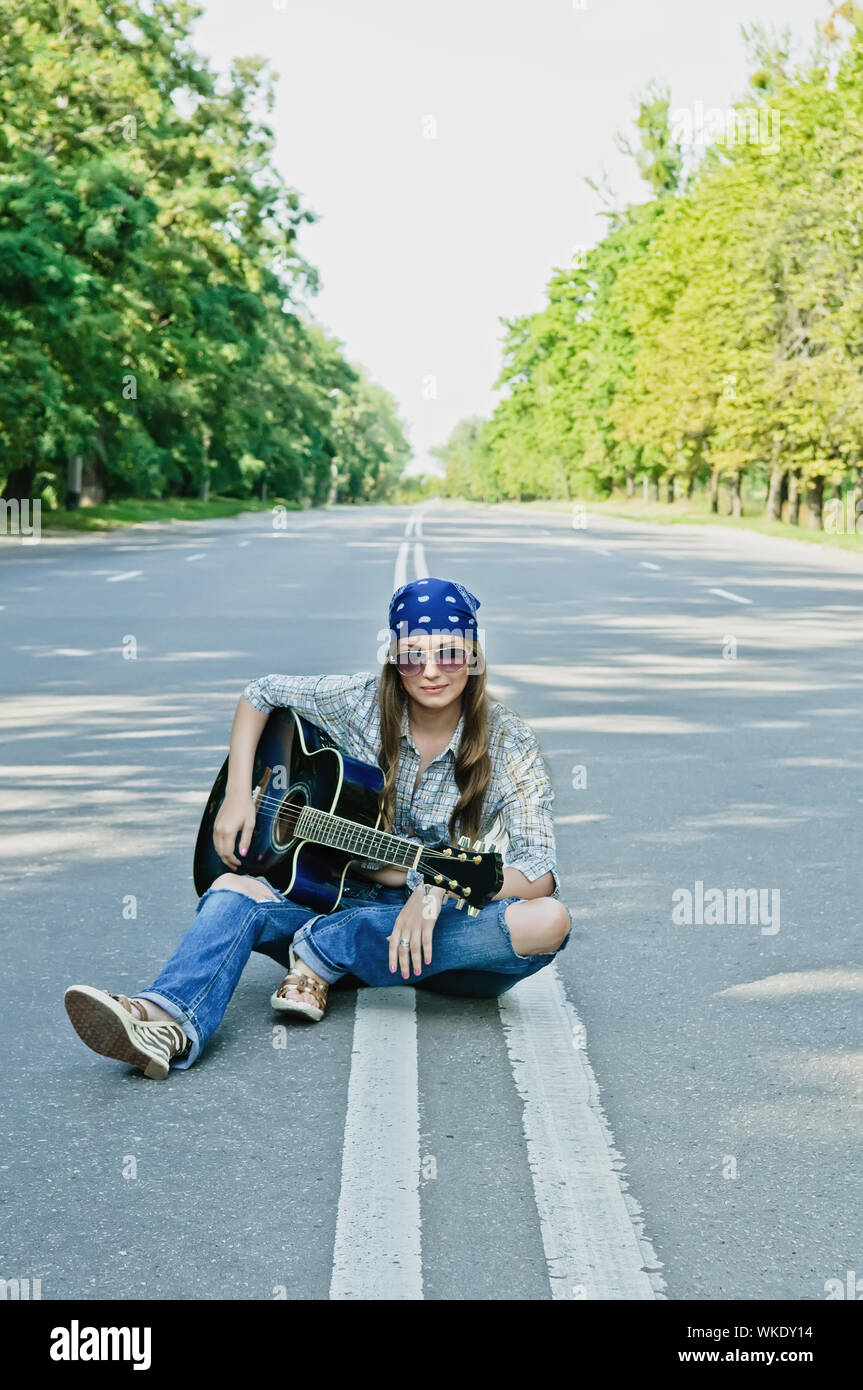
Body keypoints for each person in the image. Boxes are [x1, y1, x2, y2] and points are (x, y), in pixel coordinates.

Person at [64, 576, 573, 1079]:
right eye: (414, 654)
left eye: (451, 654)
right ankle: (165, 1021)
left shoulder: (510, 742)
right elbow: (260, 693)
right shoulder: (358, 702)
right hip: (338, 897)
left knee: (548, 920)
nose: (432, 671)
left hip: (448, 938)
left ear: (475, 657)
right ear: (395, 661)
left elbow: (538, 870)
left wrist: (434, 885)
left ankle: (327, 949)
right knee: (230, 888)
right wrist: (239, 795)